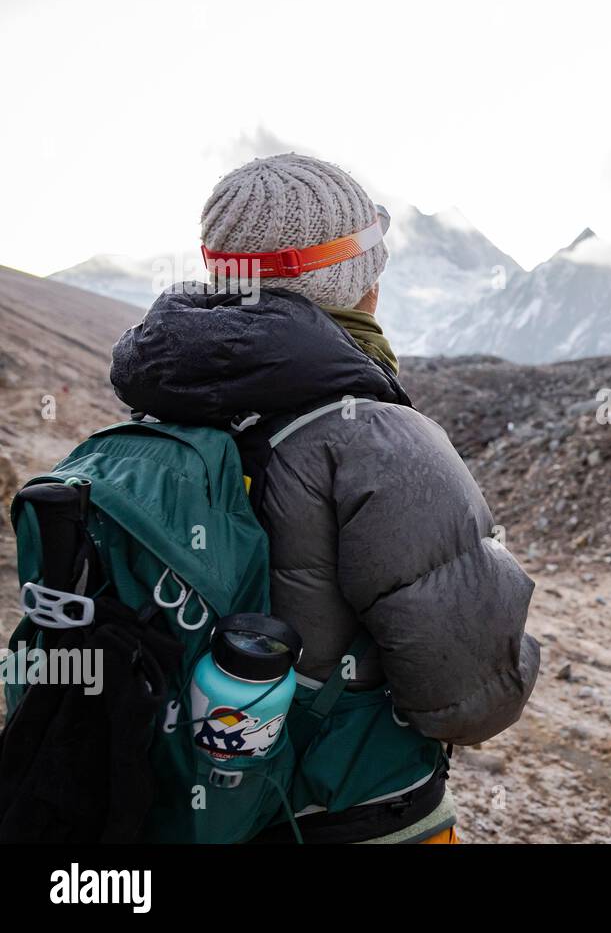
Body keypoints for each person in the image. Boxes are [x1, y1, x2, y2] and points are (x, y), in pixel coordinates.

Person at [110, 153, 541, 843]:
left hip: (177, 801)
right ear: (359, 280)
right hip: (351, 814)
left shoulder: (161, 407)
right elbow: (469, 702)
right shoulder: (381, 439)